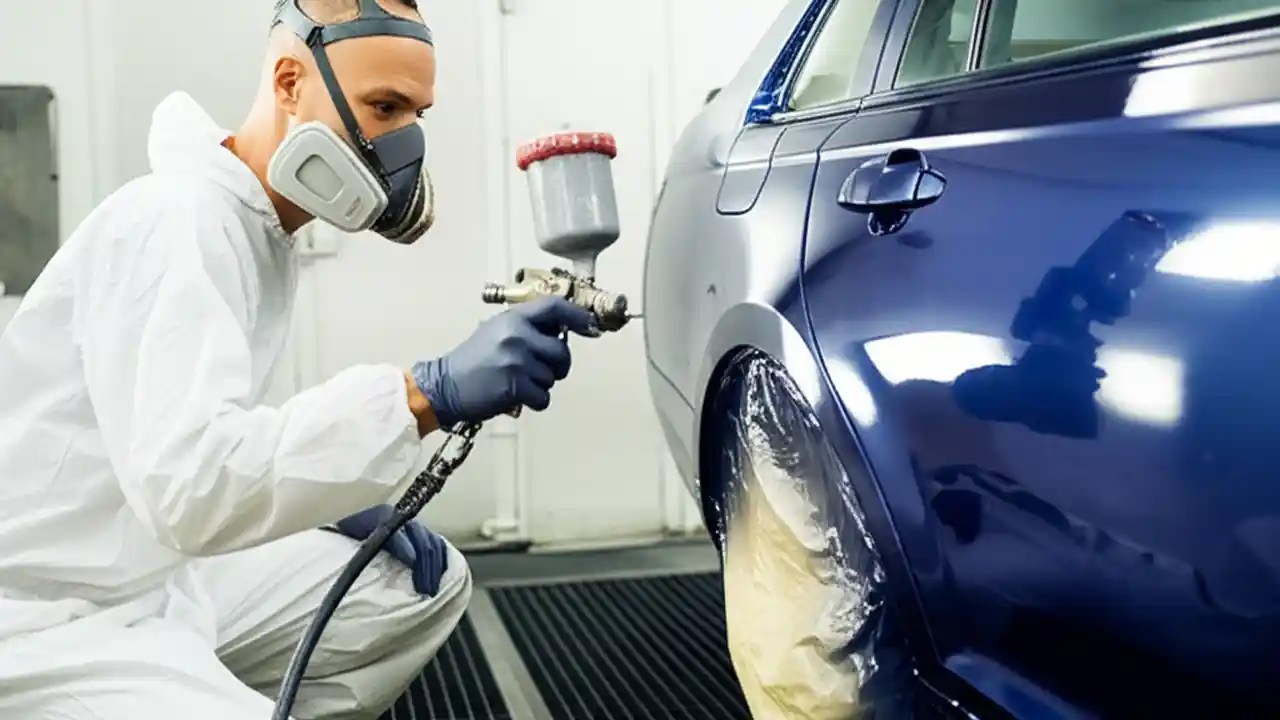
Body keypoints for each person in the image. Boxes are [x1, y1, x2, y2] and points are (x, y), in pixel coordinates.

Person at [0, 0, 596, 717]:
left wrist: (336, 496)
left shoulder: (254, 231)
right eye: (384, 106)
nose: (403, 143)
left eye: (417, 116)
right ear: (290, 83)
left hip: (151, 566)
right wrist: (421, 396)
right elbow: (188, 488)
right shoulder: (178, 220)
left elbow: (209, 437)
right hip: (44, 610)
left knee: (412, 588)